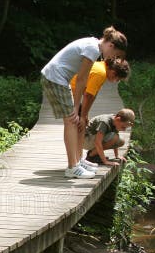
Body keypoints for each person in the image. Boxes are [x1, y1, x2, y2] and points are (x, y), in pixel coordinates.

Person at [40, 26, 128, 179]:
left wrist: (78, 109)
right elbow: (81, 80)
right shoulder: (93, 49)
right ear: (111, 45)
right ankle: (73, 167)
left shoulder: (92, 44)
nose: (112, 58)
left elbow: (83, 81)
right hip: (55, 77)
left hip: (58, 78)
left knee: (72, 121)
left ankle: (77, 162)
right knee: (71, 121)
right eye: (115, 54)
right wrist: (76, 108)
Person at [70, 58, 130, 170]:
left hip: (75, 96)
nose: (116, 81)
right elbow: (88, 95)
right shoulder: (100, 73)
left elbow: (92, 94)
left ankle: (79, 160)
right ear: (113, 72)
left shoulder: (101, 68)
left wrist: (85, 113)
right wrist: (82, 116)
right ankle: (77, 163)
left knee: (79, 128)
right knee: (77, 129)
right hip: (71, 95)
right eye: (117, 78)